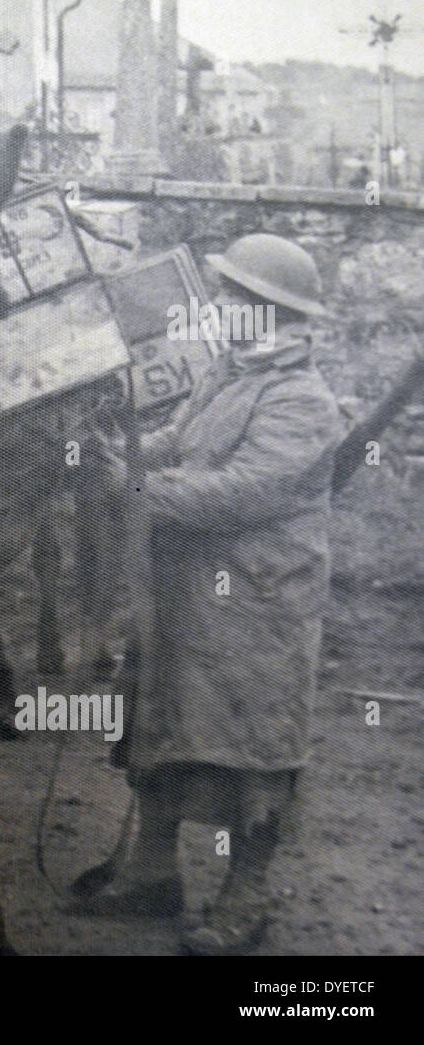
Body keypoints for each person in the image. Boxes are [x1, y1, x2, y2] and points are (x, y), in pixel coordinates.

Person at [76, 234, 344, 955]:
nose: (218, 306)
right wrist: (122, 451)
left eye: (232, 296)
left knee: (253, 751)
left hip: (257, 609)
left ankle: (246, 897)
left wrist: (135, 490)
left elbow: (239, 493)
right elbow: (180, 442)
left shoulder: (303, 400)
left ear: (266, 312)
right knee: (162, 726)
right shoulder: (230, 373)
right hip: (189, 598)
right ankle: (151, 875)